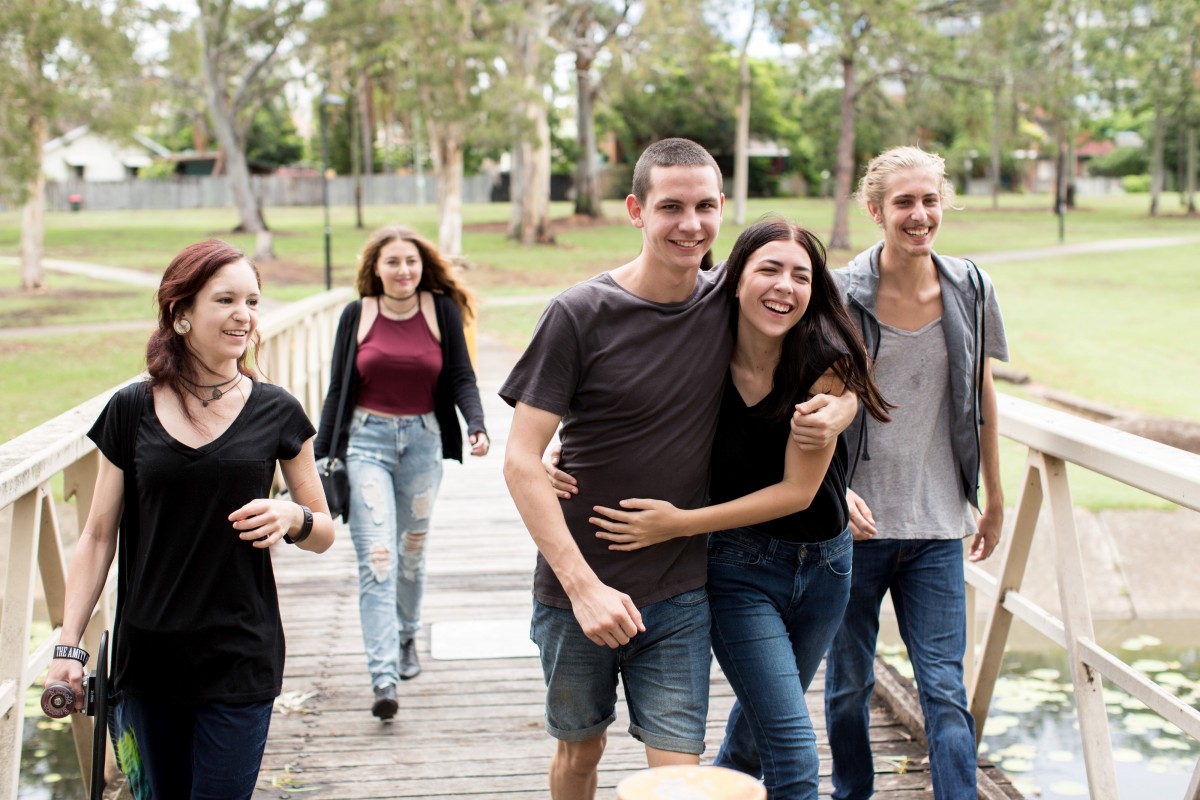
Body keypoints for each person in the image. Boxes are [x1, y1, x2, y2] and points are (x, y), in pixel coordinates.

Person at [501, 139, 856, 799]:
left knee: (681, 780)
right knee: (580, 753)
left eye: (703, 207)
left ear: (722, 210)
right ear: (636, 210)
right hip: (575, 589)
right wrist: (584, 589)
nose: (689, 224)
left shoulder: (732, 301)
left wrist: (845, 408)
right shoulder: (578, 313)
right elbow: (521, 458)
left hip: (681, 589)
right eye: (670, 207)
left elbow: (824, 337)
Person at [555, 217, 892, 799]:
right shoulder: (700, 346)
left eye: (801, 275)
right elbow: (627, 395)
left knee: (761, 733)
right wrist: (551, 450)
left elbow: (798, 492)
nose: (784, 286)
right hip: (739, 569)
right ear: (733, 279)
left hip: (827, 566)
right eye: (768, 269)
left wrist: (677, 523)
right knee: (791, 741)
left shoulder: (823, 358)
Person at [45, 239, 336, 799]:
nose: (243, 315)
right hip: (148, 660)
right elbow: (98, 536)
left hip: (240, 655)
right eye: (225, 300)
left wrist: (290, 514)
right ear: (181, 314)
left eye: (252, 301)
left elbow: (322, 531)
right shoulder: (130, 409)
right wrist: (67, 646)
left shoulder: (277, 409)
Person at [822, 145, 1008, 800]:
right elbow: (813, 398)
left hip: (936, 527)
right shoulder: (841, 293)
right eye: (904, 201)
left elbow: (983, 393)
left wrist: (995, 497)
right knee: (847, 686)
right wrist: (832, 489)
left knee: (944, 690)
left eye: (929, 199)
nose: (919, 213)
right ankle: (852, 793)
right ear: (876, 210)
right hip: (856, 530)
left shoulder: (973, 288)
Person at [315, 224, 489, 721]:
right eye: (392, 262)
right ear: (375, 268)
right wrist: (322, 455)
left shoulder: (441, 311)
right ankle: (384, 676)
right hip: (365, 442)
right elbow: (336, 390)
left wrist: (475, 423)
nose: (403, 271)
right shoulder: (357, 315)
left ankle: (407, 633)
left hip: (422, 443)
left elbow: (461, 375)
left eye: (410, 261)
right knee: (378, 557)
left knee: (411, 549)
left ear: (422, 265)